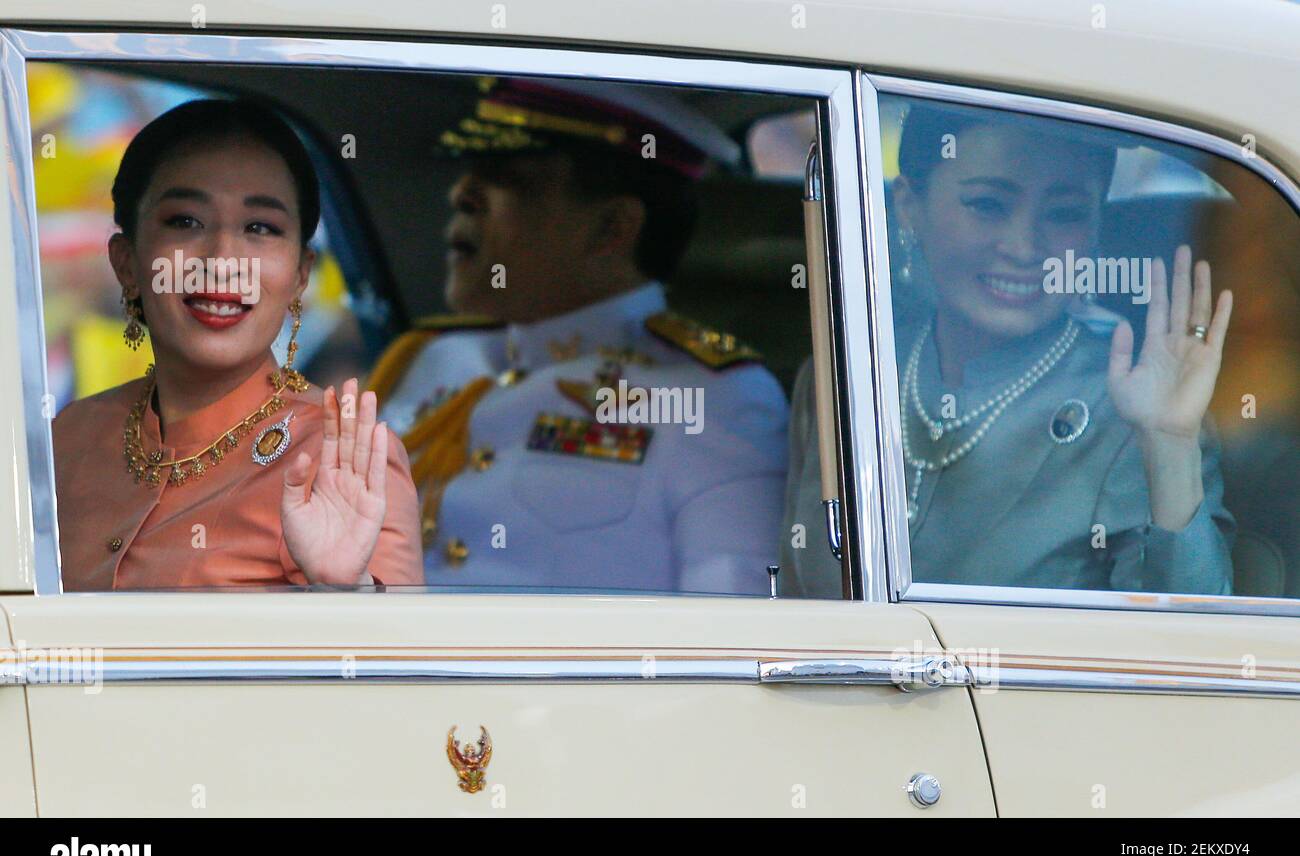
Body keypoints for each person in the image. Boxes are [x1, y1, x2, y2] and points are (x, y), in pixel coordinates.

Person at [782, 101, 1235, 598]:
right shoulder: (846, 371)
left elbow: (1182, 648)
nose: (1024, 248)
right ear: (910, 206)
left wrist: (1167, 444)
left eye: (1064, 214)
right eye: (988, 205)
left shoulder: (1130, 405)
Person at [369, 77, 788, 594]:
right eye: (469, 173)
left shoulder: (715, 399)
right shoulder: (428, 357)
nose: (462, 195)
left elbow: (736, 639)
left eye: (509, 179)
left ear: (613, 227)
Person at [53, 99, 424, 591]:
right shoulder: (70, 437)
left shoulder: (338, 460)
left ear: (299, 276)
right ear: (127, 263)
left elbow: (396, 663)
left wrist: (345, 590)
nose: (224, 261)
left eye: (260, 228)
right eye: (186, 222)